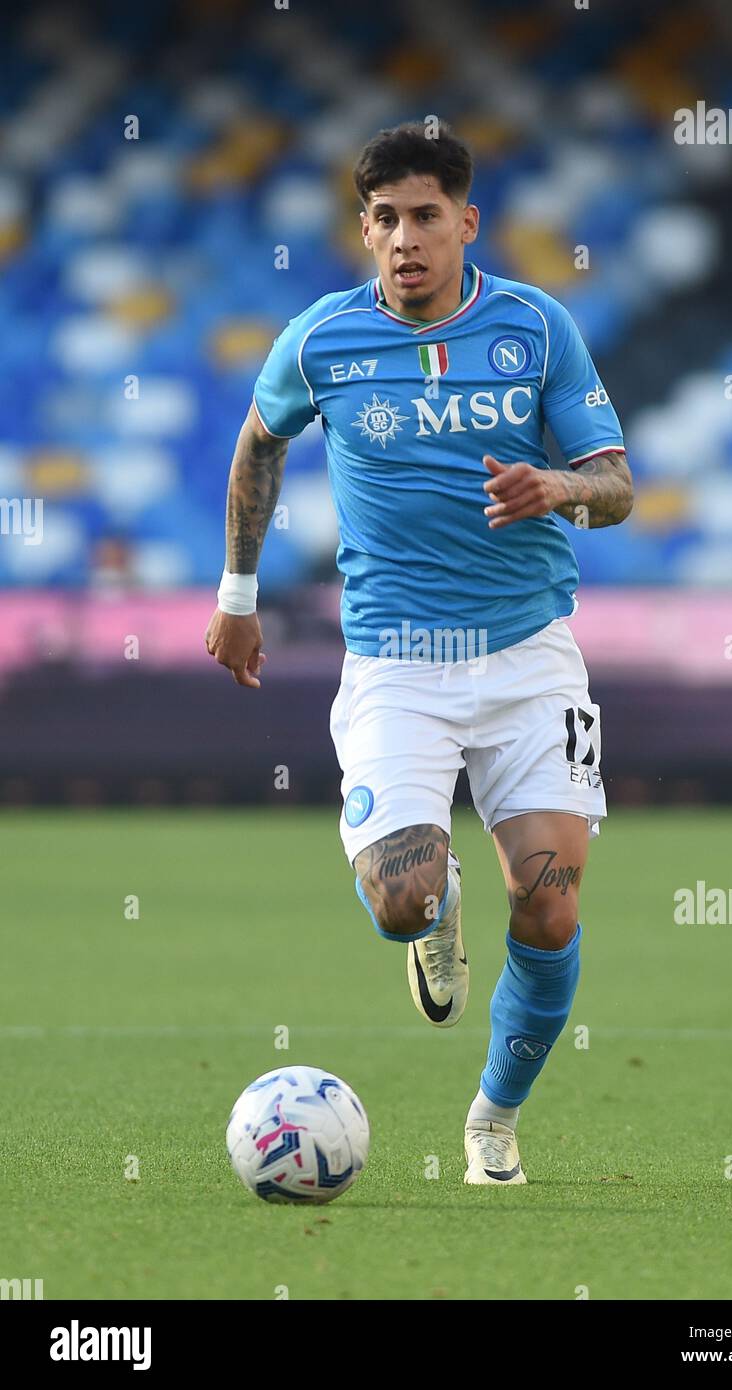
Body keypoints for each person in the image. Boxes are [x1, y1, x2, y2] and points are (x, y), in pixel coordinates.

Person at [205, 121, 633, 1185]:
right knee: (401, 894)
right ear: (363, 228)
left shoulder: (535, 329)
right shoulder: (320, 340)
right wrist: (238, 595)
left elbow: (617, 482)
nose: (405, 237)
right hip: (397, 660)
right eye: (385, 218)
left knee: (549, 900)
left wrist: (559, 487)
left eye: (425, 216)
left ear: (465, 225)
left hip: (529, 655)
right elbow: (260, 443)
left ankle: (492, 1116)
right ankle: (433, 916)